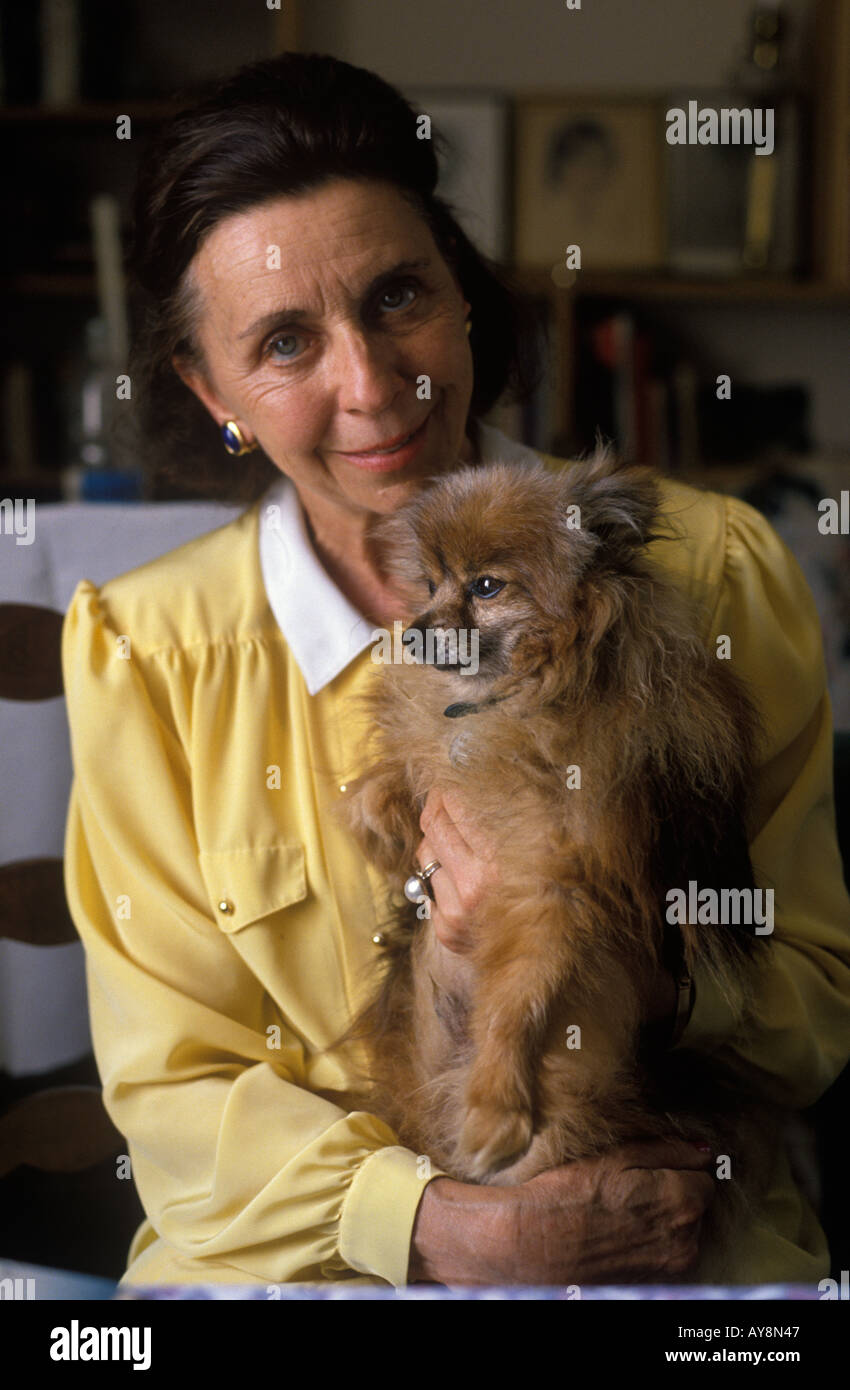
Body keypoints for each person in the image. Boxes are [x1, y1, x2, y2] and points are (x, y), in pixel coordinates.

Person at [61, 51, 850, 1289]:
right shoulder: (148, 653)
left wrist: (631, 973)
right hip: (302, 1268)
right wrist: (442, 1226)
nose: (374, 387)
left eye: (395, 297)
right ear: (213, 393)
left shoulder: (715, 569)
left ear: (465, 300)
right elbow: (174, 1092)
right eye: (283, 342)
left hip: (663, 1220)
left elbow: (811, 1008)